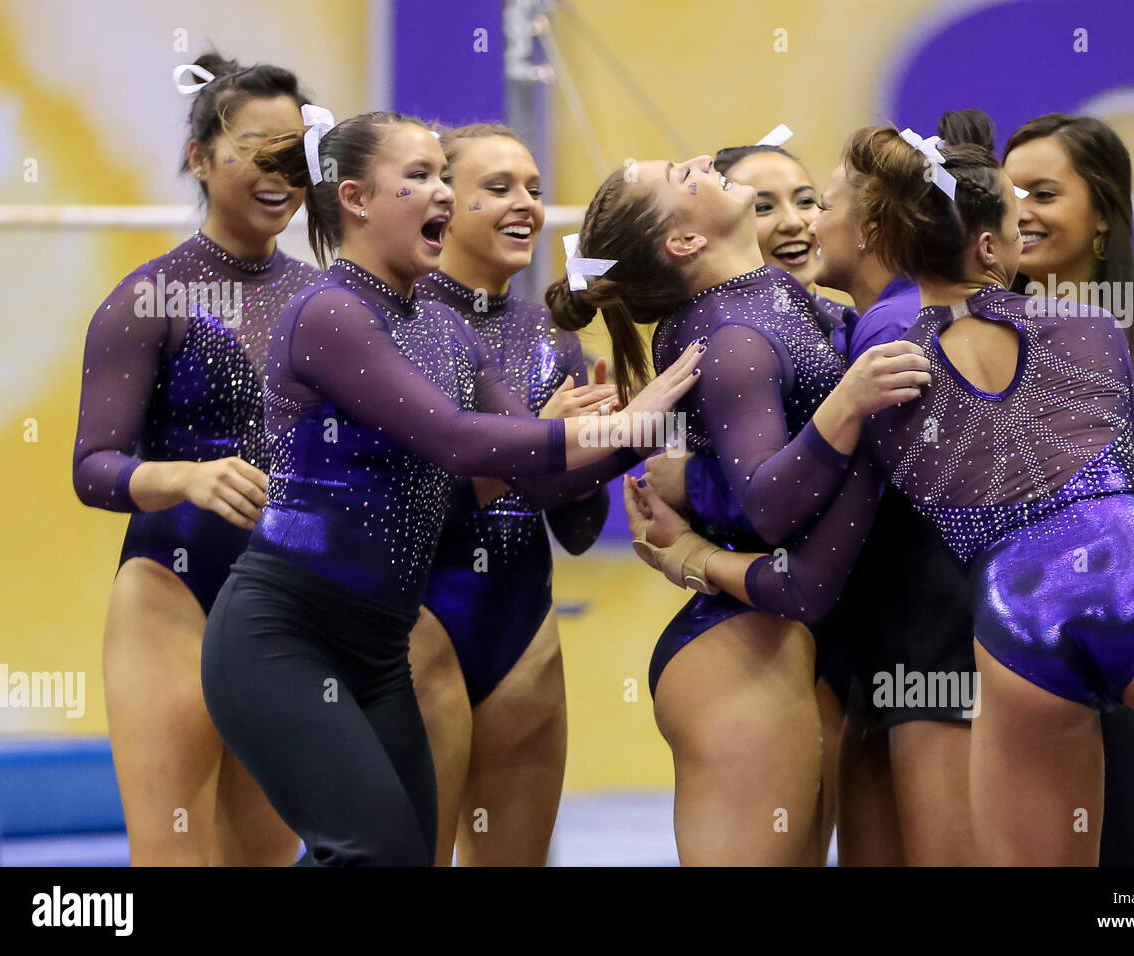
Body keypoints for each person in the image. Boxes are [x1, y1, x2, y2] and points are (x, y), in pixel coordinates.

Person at [627, 124, 1134, 865]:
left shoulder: (879, 377)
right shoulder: (1096, 329)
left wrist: (693, 510)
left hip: (1014, 625)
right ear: (995, 248)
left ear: (894, 245)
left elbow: (794, 530)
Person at [199, 107, 703, 866]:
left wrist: (663, 422)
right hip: (287, 634)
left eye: (443, 175)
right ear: (358, 200)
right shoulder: (331, 312)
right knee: (368, 850)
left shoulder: (446, 332)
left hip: (376, 648)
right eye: (421, 177)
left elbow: (537, 474)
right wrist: (625, 425)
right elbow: (452, 438)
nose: (440, 192)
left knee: (395, 855)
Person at [546, 153, 930, 864]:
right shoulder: (730, 339)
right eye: (681, 175)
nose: (700, 158)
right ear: (684, 242)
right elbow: (773, 506)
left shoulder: (773, 301)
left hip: (783, 632)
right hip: (737, 646)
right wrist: (847, 405)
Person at [72, 52, 318, 866]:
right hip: (171, 595)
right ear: (201, 158)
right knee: (174, 853)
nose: (278, 174)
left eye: (294, 154)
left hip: (287, 601)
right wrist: (183, 476)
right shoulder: (147, 300)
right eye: (255, 150)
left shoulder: (327, 304)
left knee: (261, 856)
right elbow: (93, 466)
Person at [1005, 112, 1134, 867]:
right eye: (1006, 192)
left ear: (1102, 218)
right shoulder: (974, 343)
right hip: (991, 657)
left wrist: (1019, 470)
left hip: (1118, 659)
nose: (1019, 209)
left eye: (1043, 192)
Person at [410, 122, 620, 865]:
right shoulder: (395, 324)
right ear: (442, 204)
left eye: (533, 188)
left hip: (523, 627)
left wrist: (601, 447)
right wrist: (543, 435)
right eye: (497, 188)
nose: (525, 204)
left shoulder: (550, 335)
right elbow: (397, 498)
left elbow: (579, 527)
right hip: (414, 618)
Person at [647, 139, 855, 862]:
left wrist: (688, 496)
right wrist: (690, 517)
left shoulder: (832, 326)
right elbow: (763, 505)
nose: (794, 221)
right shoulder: (723, 333)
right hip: (748, 630)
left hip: (818, 631)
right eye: (763, 204)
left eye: (807, 200)